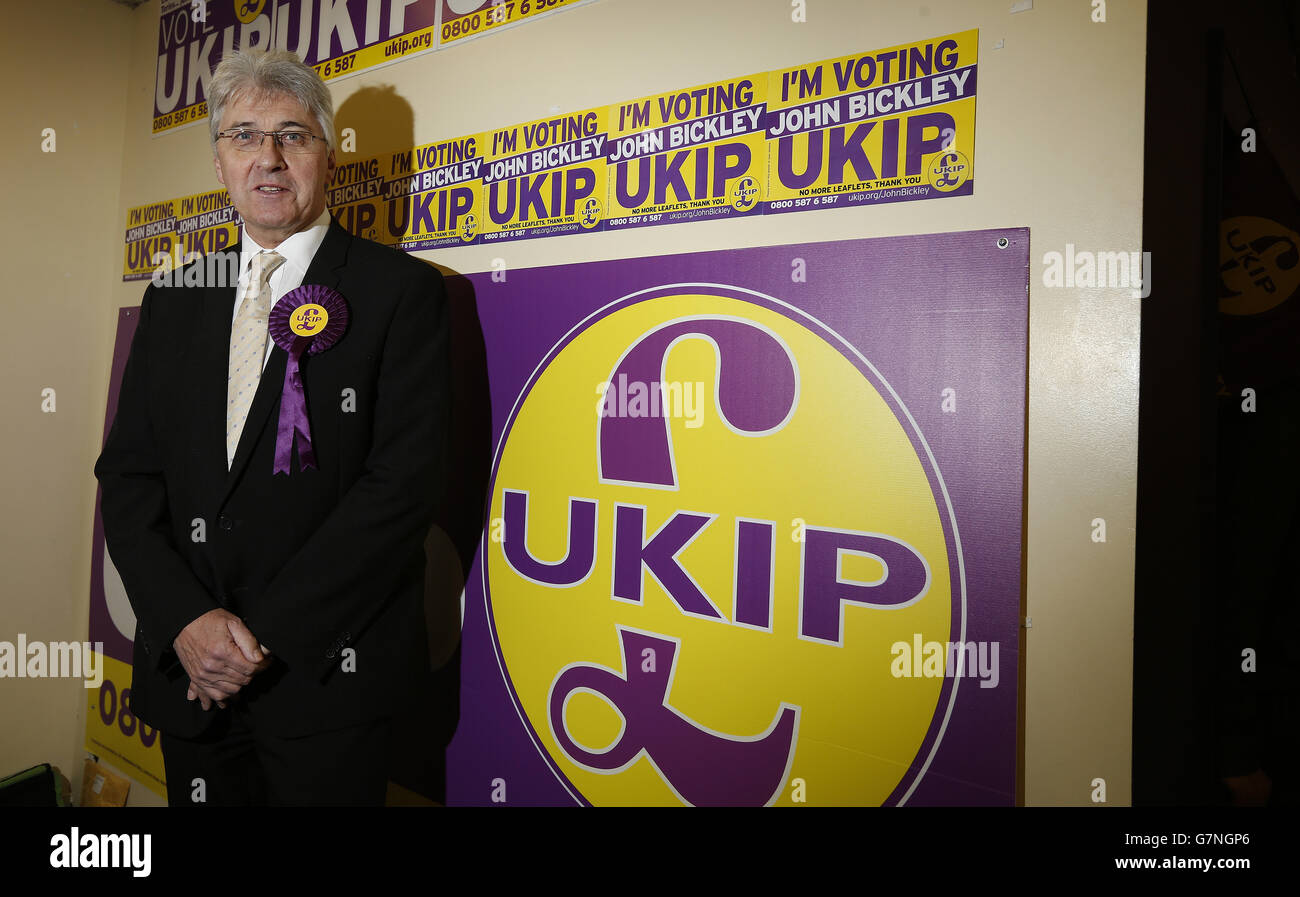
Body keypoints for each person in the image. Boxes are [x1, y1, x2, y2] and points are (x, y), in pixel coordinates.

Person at [94, 48, 450, 806]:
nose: (270, 158)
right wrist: (187, 623)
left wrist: (254, 645)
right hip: (189, 681)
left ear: (328, 156)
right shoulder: (175, 297)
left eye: (294, 134)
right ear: (219, 161)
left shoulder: (403, 293)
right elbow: (128, 478)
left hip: (328, 687)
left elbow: (400, 491)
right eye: (245, 135)